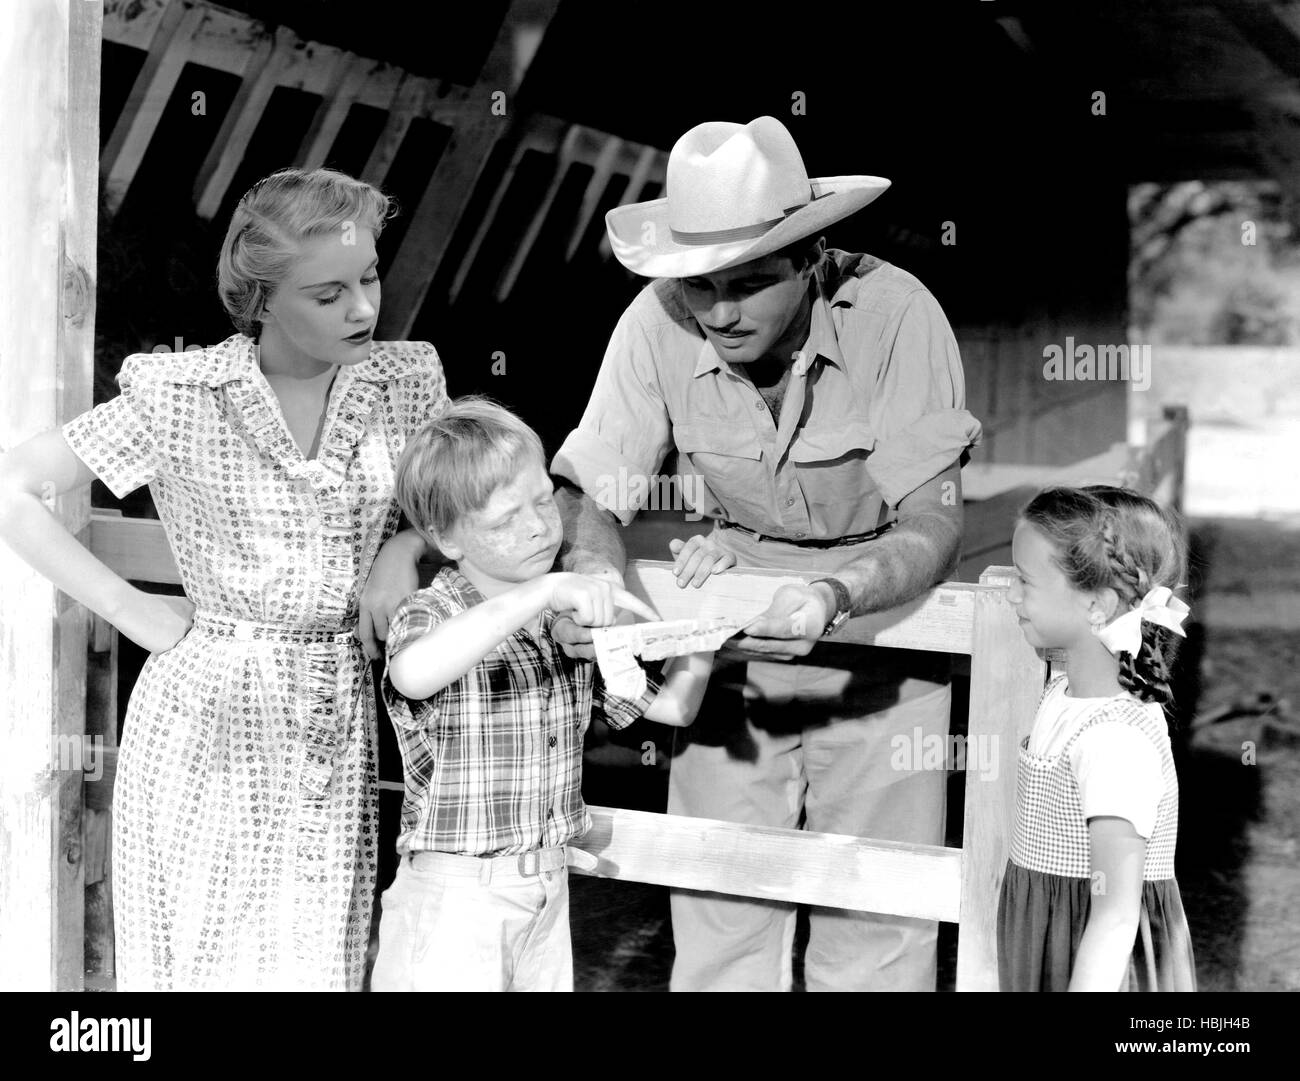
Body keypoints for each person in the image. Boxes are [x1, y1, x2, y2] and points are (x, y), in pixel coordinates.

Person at [547, 116, 983, 991]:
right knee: (722, 908)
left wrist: (832, 594)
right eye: (699, 287)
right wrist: (594, 574)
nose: (720, 311)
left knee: (876, 923)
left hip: (882, 636)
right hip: (730, 643)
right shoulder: (656, 319)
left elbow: (933, 523)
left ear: (813, 256)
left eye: (748, 284)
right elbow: (590, 489)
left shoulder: (898, 316)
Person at [0, 168, 448, 990]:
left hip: (332, 705)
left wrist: (406, 545)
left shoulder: (404, 382)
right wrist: (130, 608)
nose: (362, 308)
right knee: (203, 957)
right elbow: (11, 489)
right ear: (261, 299)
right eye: (327, 293)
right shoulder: (183, 392)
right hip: (207, 712)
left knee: (314, 958)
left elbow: (456, 496)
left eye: (370, 277)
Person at [372, 398, 714, 991]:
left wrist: (705, 627)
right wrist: (548, 589)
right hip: (456, 902)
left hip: (551, 891)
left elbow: (674, 707)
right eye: (506, 519)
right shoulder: (435, 612)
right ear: (446, 538)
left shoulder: (565, 623)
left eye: (541, 501)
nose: (536, 526)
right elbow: (412, 674)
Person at [998, 485, 1197, 992]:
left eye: (1025, 581)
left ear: (1097, 605)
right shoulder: (1063, 691)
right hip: (1051, 939)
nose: (1011, 594)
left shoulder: (1114, 740)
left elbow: (1114, 916)